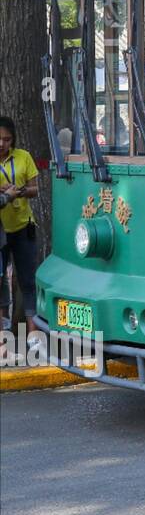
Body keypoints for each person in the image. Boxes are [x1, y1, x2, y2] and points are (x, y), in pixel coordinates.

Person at [0, 117, 42, 347]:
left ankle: (33, 334)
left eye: (6, 139)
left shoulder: (23, 156)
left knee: (27, 280)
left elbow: (35, 188)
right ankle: (4, 334)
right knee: (1, 283)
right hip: (0, 230)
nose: (1, 144)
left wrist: (21, 191)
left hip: (23, 227)